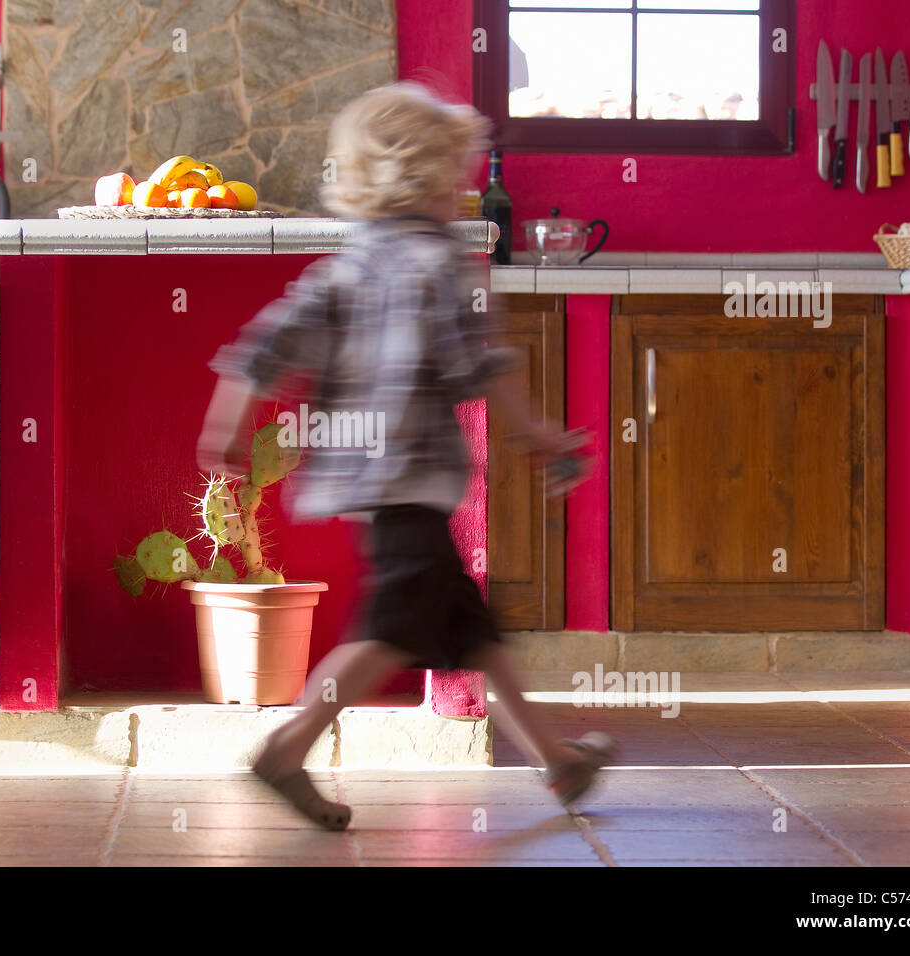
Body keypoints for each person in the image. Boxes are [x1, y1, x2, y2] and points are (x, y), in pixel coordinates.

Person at [196, 82, 616, 831]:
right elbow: (481, 369)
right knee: (387, 631)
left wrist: (228, 422)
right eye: (456, 171)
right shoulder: (443, 267)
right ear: (428, 179)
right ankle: (288, 747)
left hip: (366, 479)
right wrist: (542, 437)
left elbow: (269, 342)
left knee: (471, 629)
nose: (462, 186)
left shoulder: (347, 267)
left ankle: (558, 760)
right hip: (411, 479)